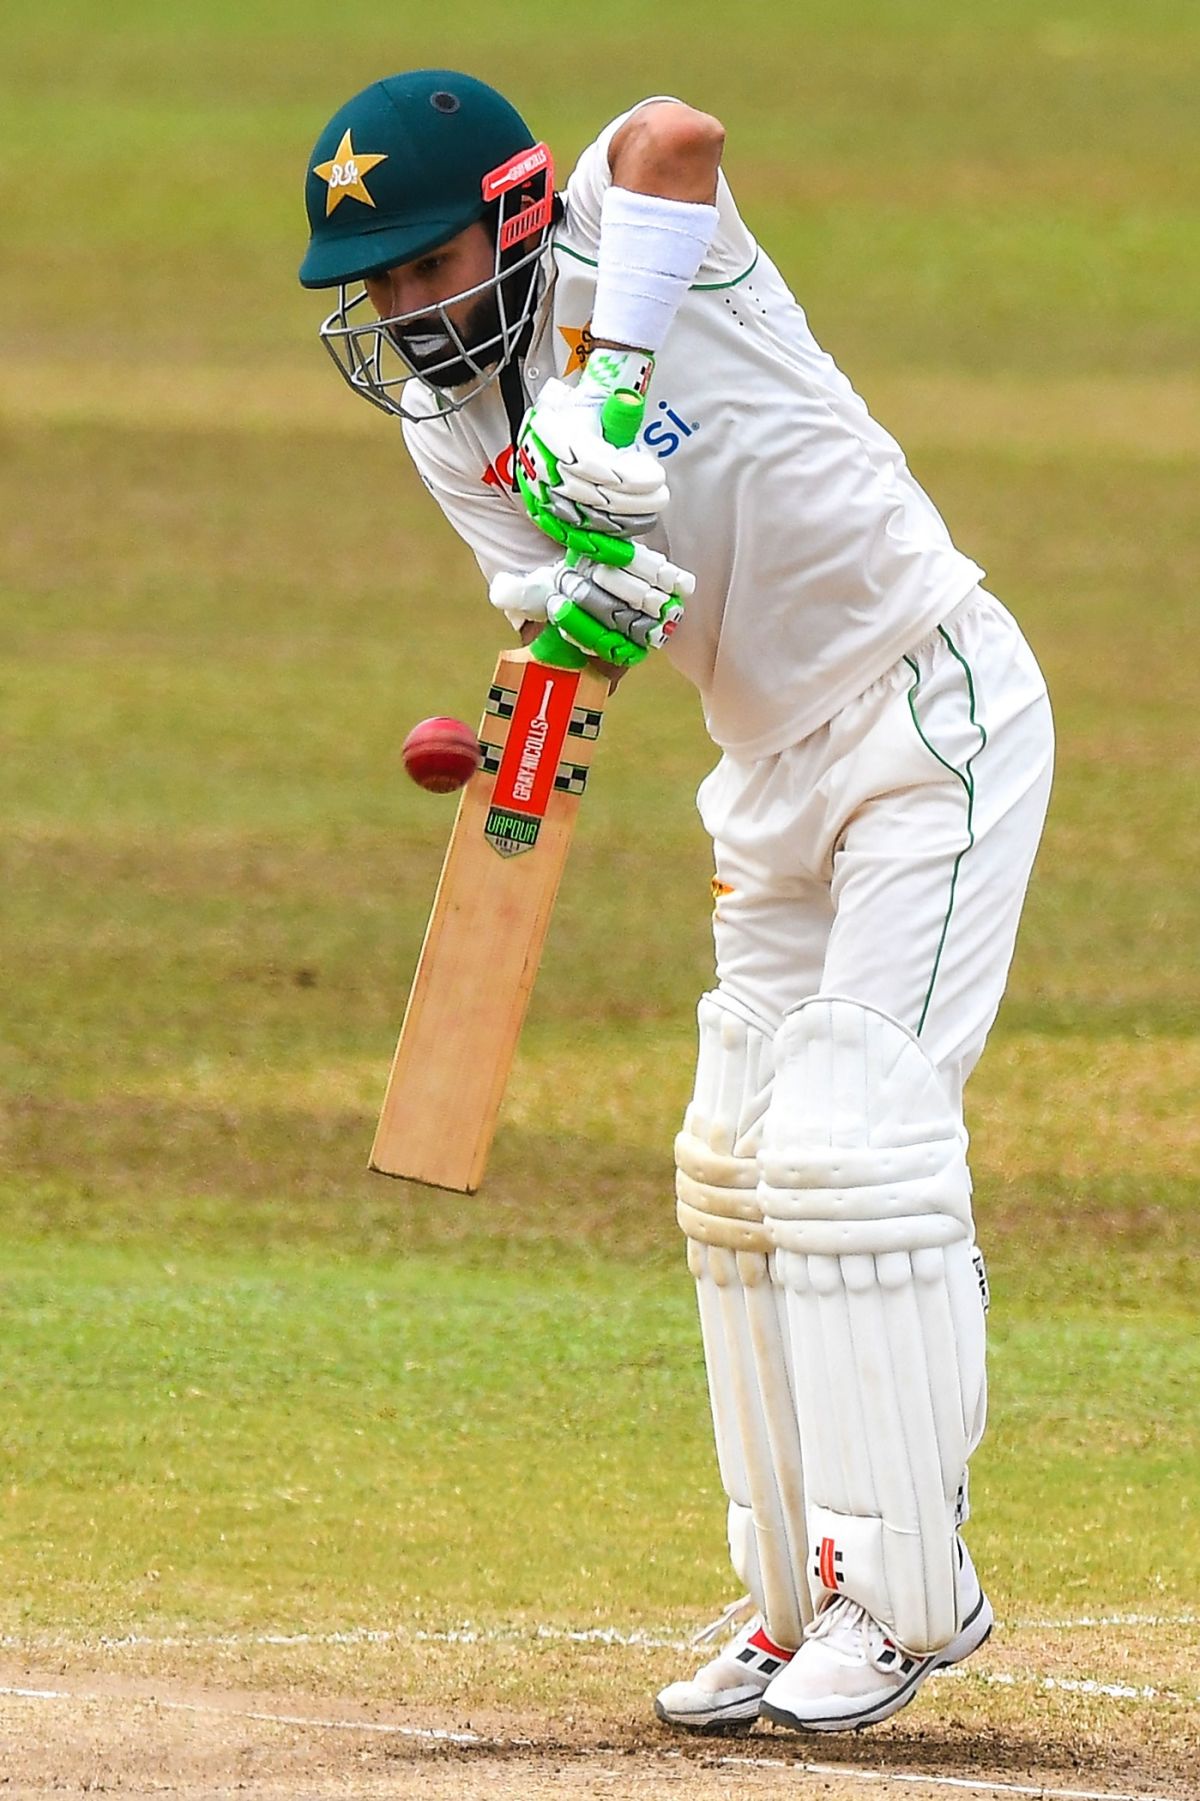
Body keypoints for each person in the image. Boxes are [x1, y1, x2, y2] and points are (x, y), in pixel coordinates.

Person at [299, 70, 1054, 1736]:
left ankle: (910, 1589)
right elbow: (582, 620)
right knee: (734, 1162)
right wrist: (601, 590)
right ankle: (796, 1600)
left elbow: (676, 130)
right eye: (382, 293)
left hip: (933, 711)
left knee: (853, 1141)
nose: (410, 318)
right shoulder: (450, 429)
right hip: (767, 770)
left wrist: (613, 391)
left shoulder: (636, 250)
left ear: (513, 219)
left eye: (429, 270)